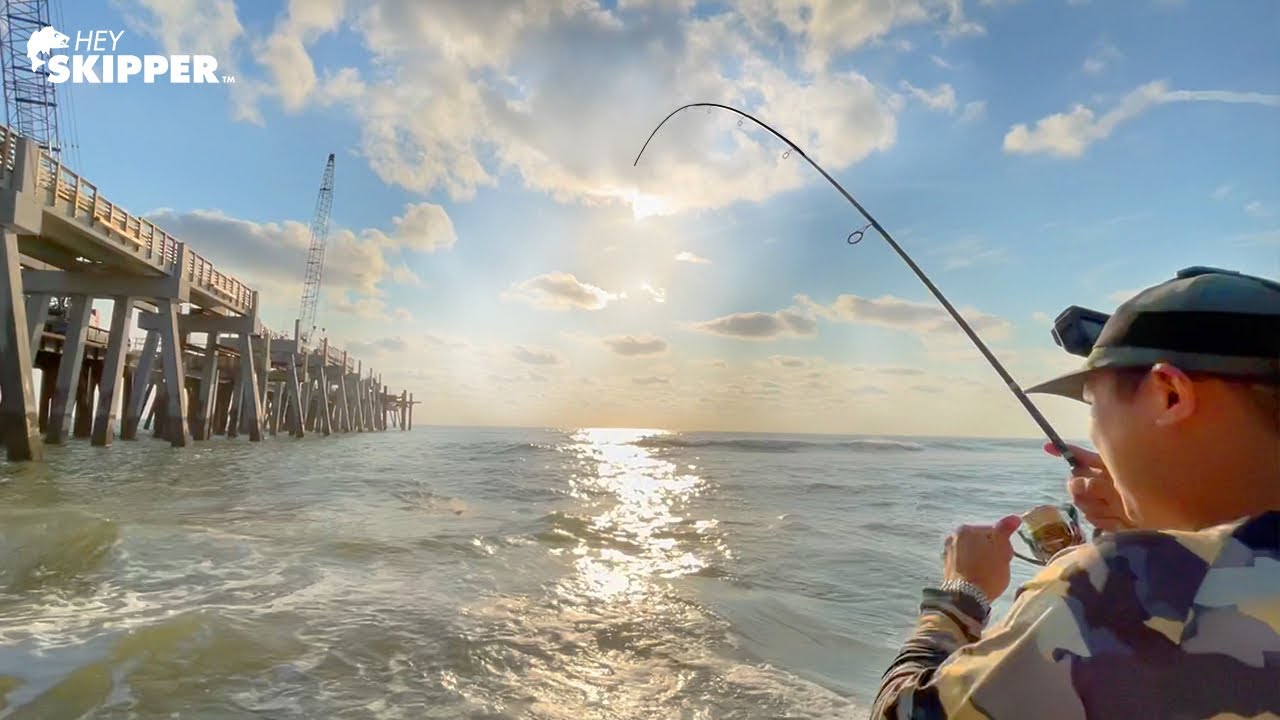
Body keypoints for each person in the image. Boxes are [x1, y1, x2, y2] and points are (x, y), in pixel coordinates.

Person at [870, 266, 1280, 719]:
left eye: (1091, 403)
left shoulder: (1117, 586)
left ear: (1169, 395)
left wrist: (960, 598)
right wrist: (1147, 528)